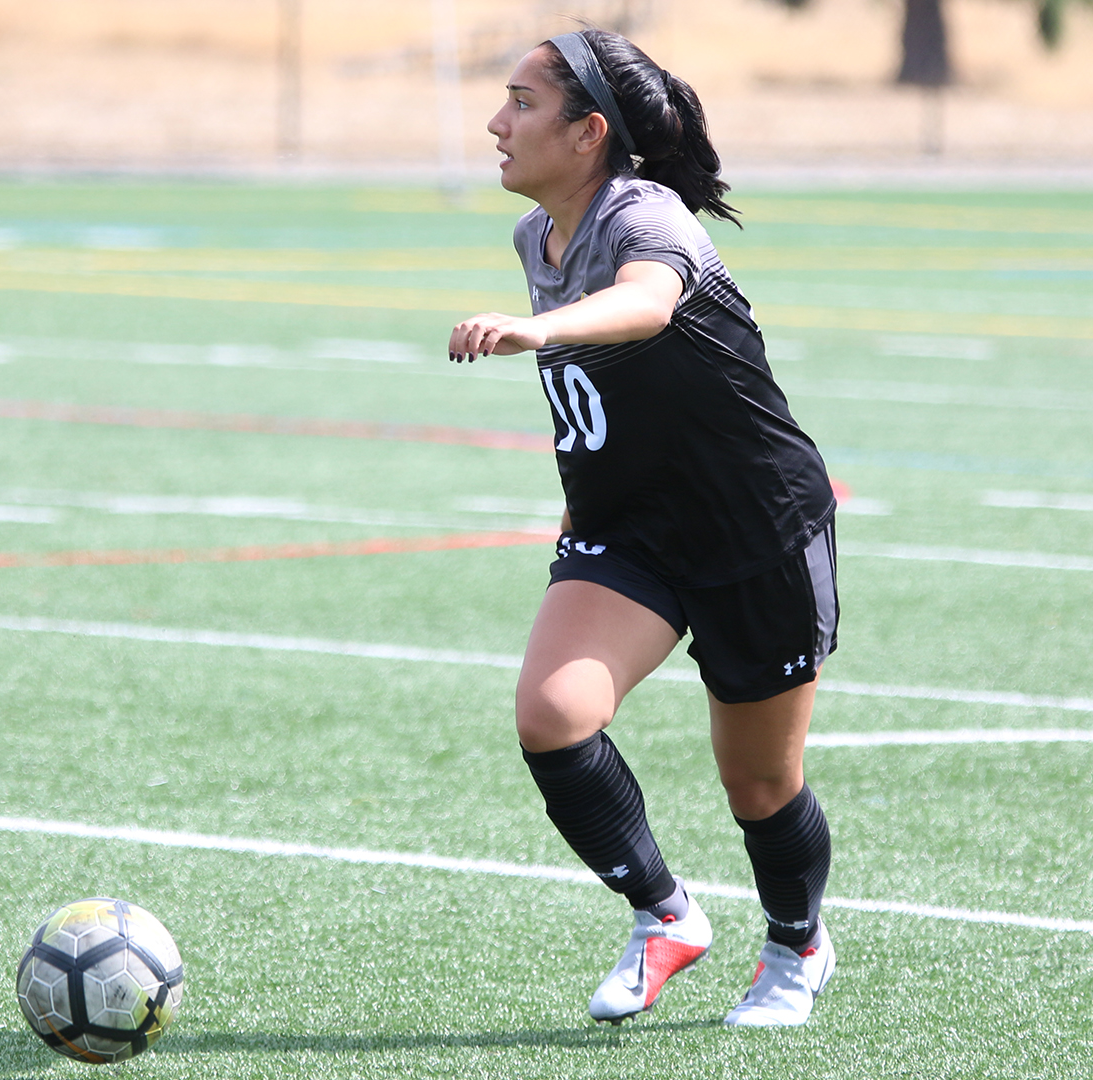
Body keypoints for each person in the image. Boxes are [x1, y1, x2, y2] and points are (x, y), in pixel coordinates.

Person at [447, 28, 840, 1028]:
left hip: (753, 526)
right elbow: (603, 397)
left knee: (759, 782)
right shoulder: (535, 238)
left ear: (588, 132)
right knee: (552, 715)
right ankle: (665, 915)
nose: (496, 123)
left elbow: (648, 306)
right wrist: (578, 506)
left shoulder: (645, 214)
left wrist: (537, 328)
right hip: (628, 526)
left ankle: (796, 946)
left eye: (522, 103)